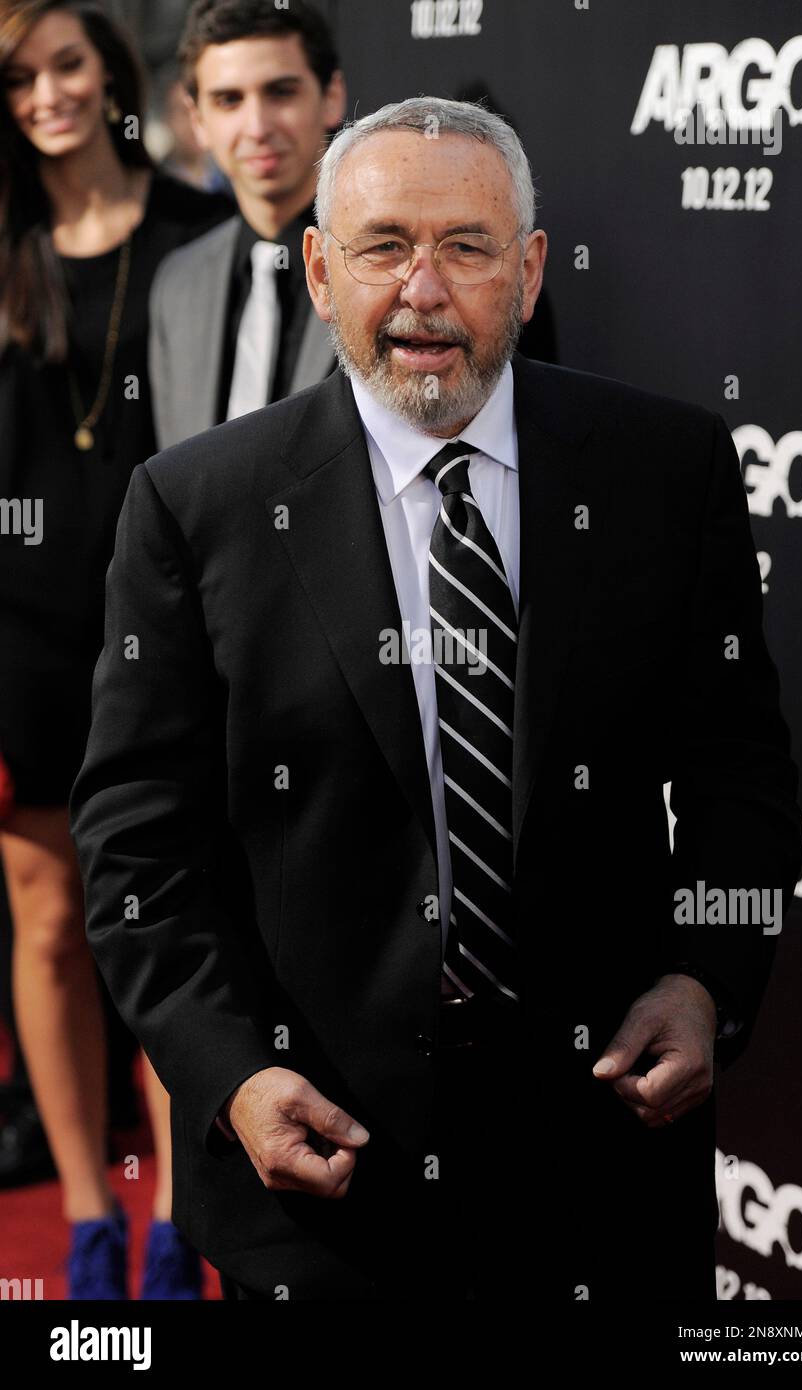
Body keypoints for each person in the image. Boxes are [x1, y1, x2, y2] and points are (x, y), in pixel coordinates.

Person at [69, 97, 802, 1302]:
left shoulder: (665, 471)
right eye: (382, 246)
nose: (422, 289)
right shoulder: (194, 505)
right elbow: (137, 841)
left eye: (466, 247)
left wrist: (705, 978)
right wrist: (235, 1075)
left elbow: (739, 768)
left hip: (600, 1152)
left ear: (525, 272)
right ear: (318, 268)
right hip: (319, 1171)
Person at [0, 0, 233, 1298]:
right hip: (22, 644)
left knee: (168, 921)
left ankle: (177, 1212)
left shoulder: (196, 232)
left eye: (68, 64)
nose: (48, 95)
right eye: (21, 77)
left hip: (168, 633)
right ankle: (91, 1214)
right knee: (47, 934)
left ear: (112, 72)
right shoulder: (2, 245)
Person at [147, 0, 346, 451]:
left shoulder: (389, 265)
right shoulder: (177, 284)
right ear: (197, 119)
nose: (257, 126)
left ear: (331, 96)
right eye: (228, 99)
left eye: (281, 92)